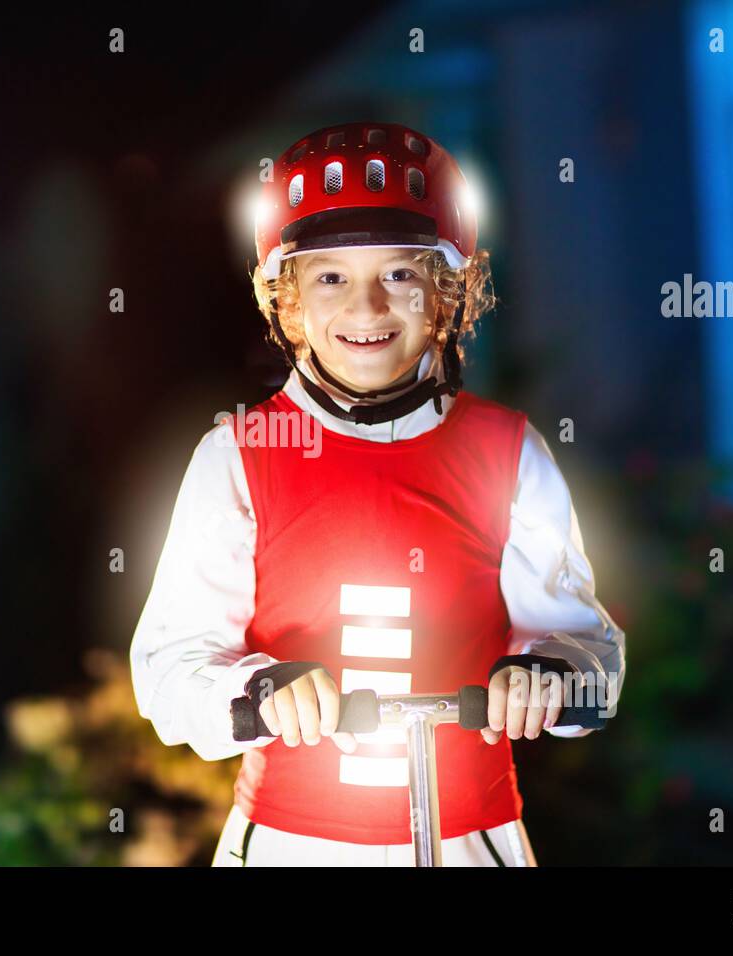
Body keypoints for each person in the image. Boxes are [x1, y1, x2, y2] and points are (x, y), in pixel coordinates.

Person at [130, 122, 625, 866]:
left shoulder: (508, 452)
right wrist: (259, 689)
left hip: (471, 842)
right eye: (330, 277)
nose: (366, 309)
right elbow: (167, 668)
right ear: (285, 299)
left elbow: (592, 652)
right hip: (290, 846)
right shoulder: (237, 454)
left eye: (399, 274)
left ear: (447, 291)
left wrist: (547, 673)